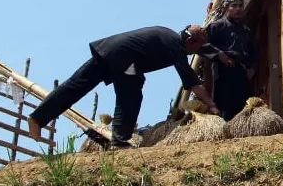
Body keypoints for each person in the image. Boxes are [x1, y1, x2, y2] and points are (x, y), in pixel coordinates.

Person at [28, 25, 220, 147]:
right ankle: (119, 141)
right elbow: (192, 81)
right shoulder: (176, 46)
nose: (196, 52)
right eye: (197, 48)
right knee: (131, 94)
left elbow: (207, 51)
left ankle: (37, 118)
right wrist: (211, 105)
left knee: (76, 86)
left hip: (109, 50)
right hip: (124, 59)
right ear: (189, 41)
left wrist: (222, 56)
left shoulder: (171, 36)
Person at [200, 0, 258, 121]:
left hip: (241, 71)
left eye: (240, 6)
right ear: (227, 8)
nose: (238, 9)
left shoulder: (245, 30)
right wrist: (219, 55)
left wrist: (252, 69)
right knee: (224, 103)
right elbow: (202, 46)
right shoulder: (216, 26)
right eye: (234, 6)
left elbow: (254, 53)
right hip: (222, 70)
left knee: (244, 104)